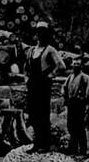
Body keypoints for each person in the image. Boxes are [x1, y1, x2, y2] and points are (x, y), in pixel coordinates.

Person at [26, 22, 64, 152]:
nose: (40, 35)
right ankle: (36, 143)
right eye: (38, 32)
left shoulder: (50, 49)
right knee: (34, 115)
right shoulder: (31, 50)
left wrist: (51, 75)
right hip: (32, 85)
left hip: (43, 86)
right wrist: (27, 79)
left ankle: (45, 145)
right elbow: (26, 68)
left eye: (43, 32)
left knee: (43, 115)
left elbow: (61, 66)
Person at [63, 56, 89, 156]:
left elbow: (88, 92)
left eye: (78, 64)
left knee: (80, 128)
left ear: (81, 66)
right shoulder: (70, 77)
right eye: (74, 64)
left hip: (80, 105)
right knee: (71, 127)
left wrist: (86, 103)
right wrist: (66, 99)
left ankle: (82, 150)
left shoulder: (85, 77)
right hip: (71, 105)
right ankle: (73, 149)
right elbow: (64, 88)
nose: (76, 66)